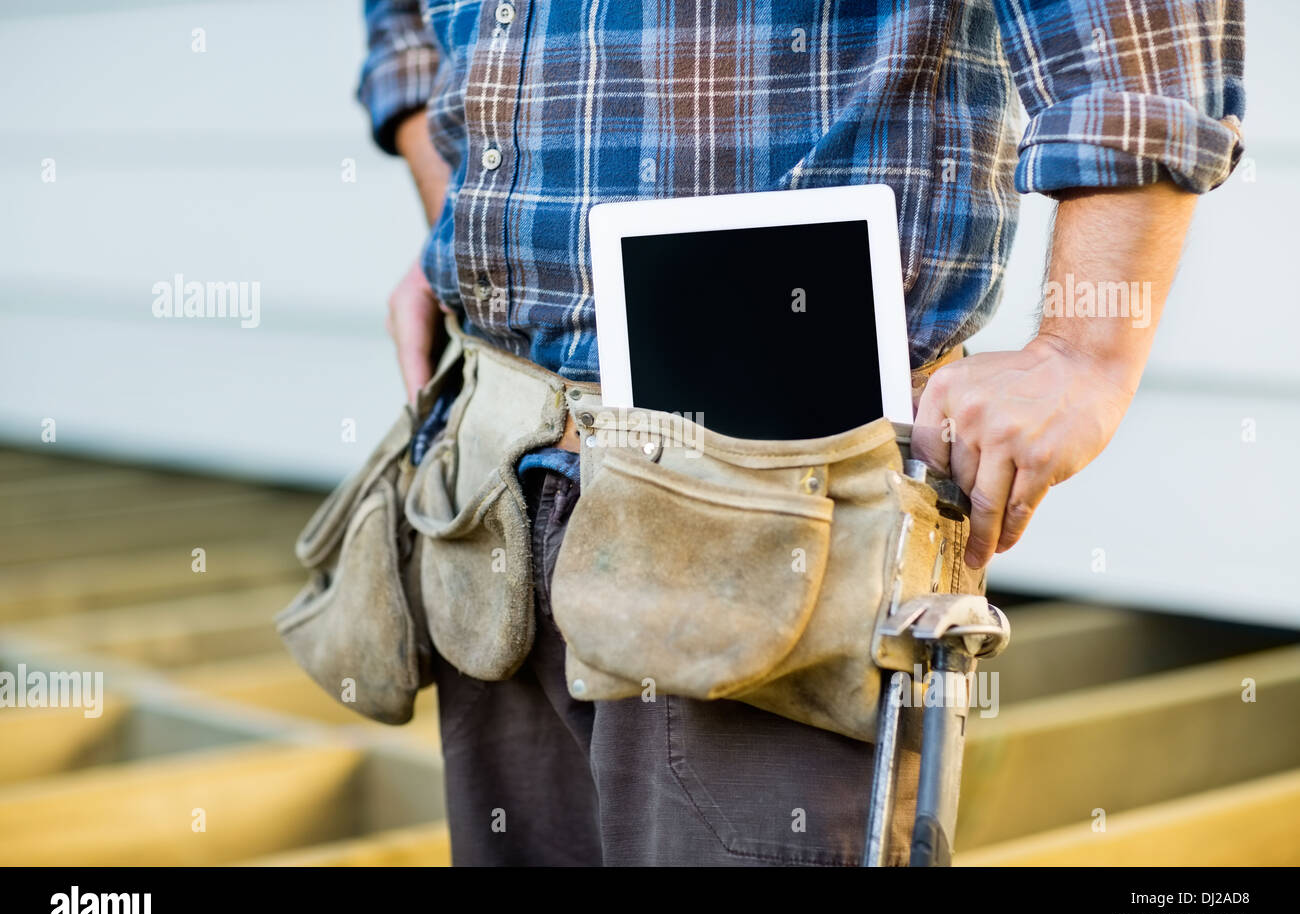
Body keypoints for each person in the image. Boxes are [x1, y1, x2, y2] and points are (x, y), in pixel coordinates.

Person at [358, 0, 1244, 865]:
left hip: (784, 497)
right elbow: (400, 29)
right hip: (494, 486)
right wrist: (462, 222)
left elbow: (1138, 36)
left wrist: (1086, 352)